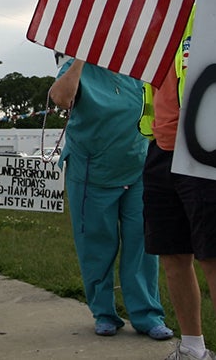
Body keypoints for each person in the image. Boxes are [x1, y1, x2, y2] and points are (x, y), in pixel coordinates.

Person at [48, 56, 171, 341]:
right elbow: (62, 98)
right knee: (96, 246)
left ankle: (147, 315)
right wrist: (80, 58)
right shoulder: (78, 67)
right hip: (91, 173)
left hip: (137, 168)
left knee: (141, 247)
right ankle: (104, 313)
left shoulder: (139, 68)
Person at [144, 13, 216, 360]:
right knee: (172, 255)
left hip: (205, 147)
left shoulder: (209, 11)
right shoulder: (152, 24)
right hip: (160, 147)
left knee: (215, 255)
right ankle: (192, 348)